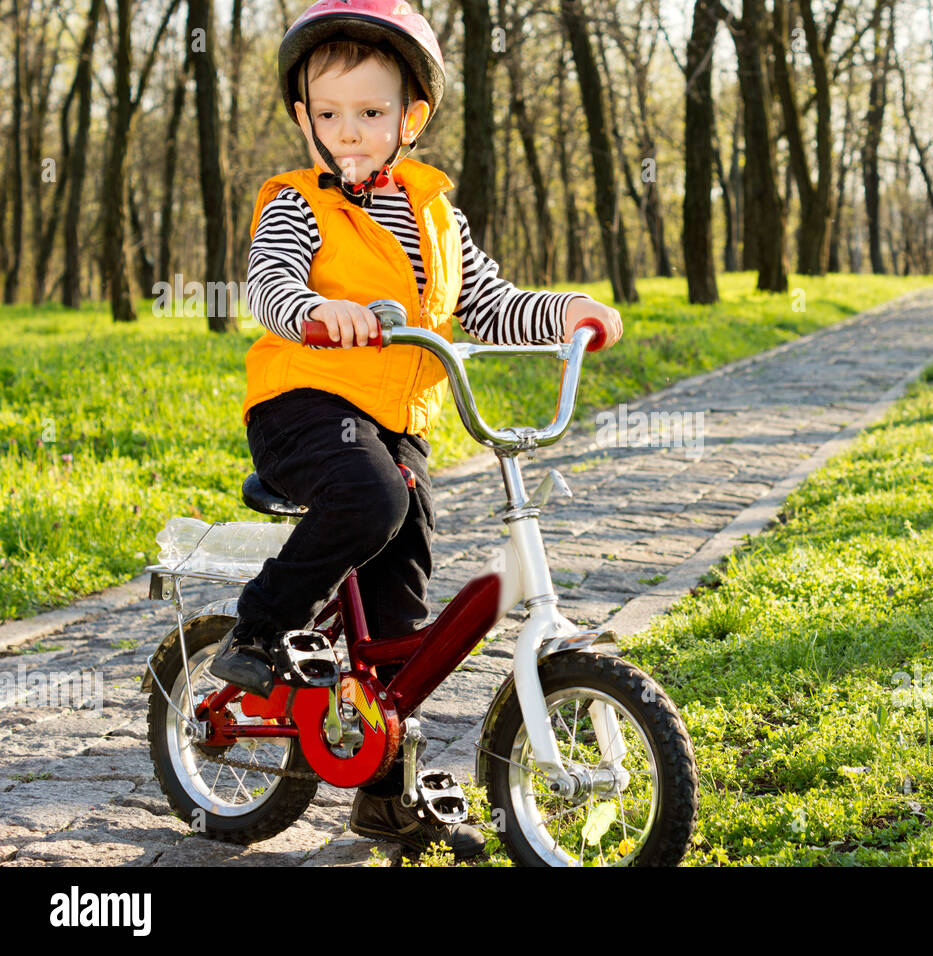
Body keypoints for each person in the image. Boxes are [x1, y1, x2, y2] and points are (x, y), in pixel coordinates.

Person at [209, 0, 623, 861]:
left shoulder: (437, 213)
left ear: (411, 118)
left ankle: (383, 794)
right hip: (304, 404)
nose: (348, 131)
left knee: (403, 615)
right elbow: (272, 287)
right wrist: (321, 310)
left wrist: (567, 311)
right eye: (328, 114)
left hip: (396, 422)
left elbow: (490, 304)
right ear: (303, 119)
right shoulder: (295, 203)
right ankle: (259, 625)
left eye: (369, 112)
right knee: (367, 498)